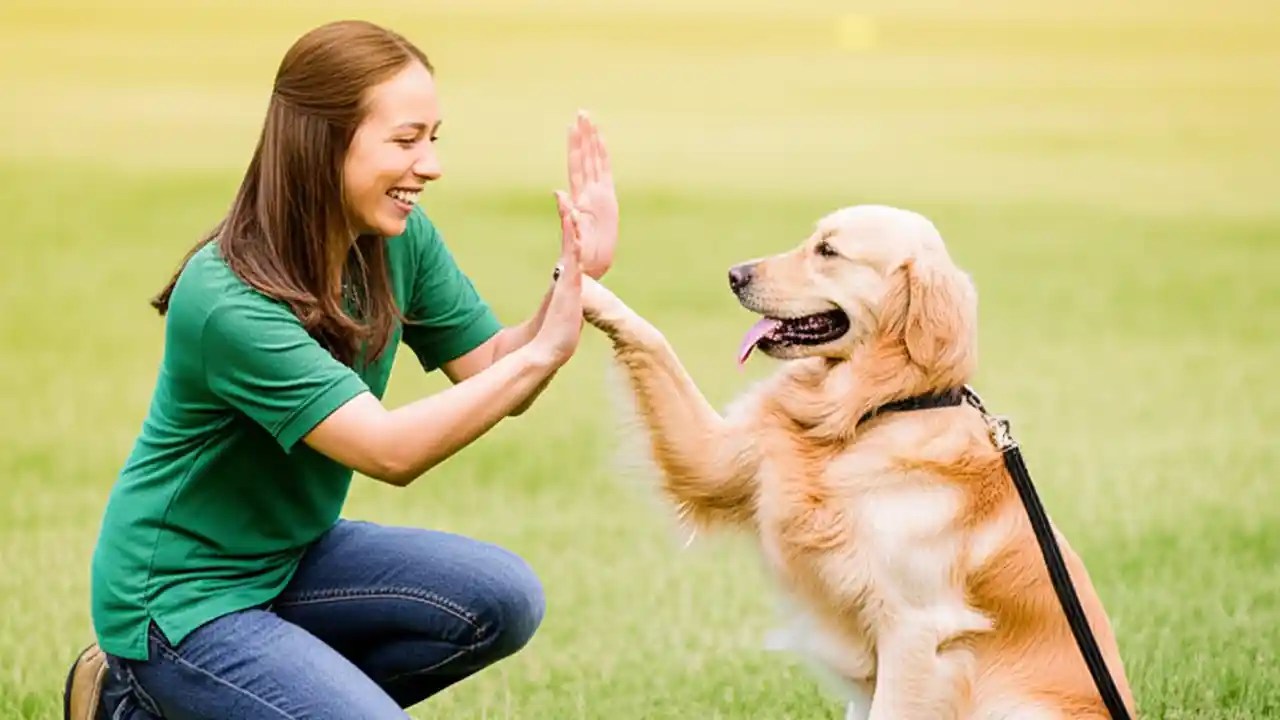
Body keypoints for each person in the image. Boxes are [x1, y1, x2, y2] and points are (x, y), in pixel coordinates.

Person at [62, 18, 618, 720]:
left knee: (503, 598)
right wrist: (545, 352)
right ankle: (129, 697)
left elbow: (493, 369)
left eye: (434, 138)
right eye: (407, 140)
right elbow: (390, 451)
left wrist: (576, 274)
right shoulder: (227, 299)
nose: (432, 165)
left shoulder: (397, 241)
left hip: (289, 559)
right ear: (324, 143)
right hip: (181, 602)